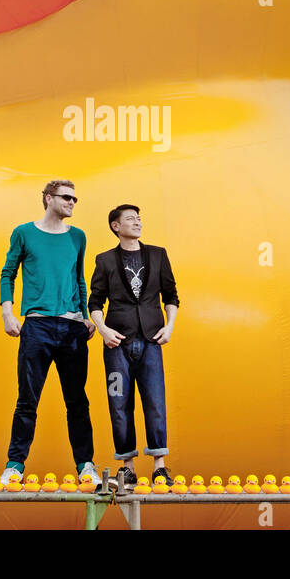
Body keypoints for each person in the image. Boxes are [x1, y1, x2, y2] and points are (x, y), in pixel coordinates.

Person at [0, 179, 98, 486]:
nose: (72, 202)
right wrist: (7, 312)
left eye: (75, 198)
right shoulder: (23, 233)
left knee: (77, 401)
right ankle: (14, 465)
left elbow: (79, 278)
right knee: (28, 399)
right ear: (48, 198)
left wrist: (86, 316)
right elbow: (8, 272)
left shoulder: (78, 237)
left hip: (71, 328)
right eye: (66, 197)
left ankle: (85, 465)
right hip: (37, 326)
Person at [88, 204, 179, 489]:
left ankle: (159, 466)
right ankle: (126, 467)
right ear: (116, 226)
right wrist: (103, 330)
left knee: (155, 401)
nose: (137, 222)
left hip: (151, 341)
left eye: (139, 218)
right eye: (130, 218)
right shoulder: (104, 260)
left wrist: (170, 325)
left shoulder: (157, 254)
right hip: (117, 346)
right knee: (119, 404)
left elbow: (172, 295)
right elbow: (94, 302)